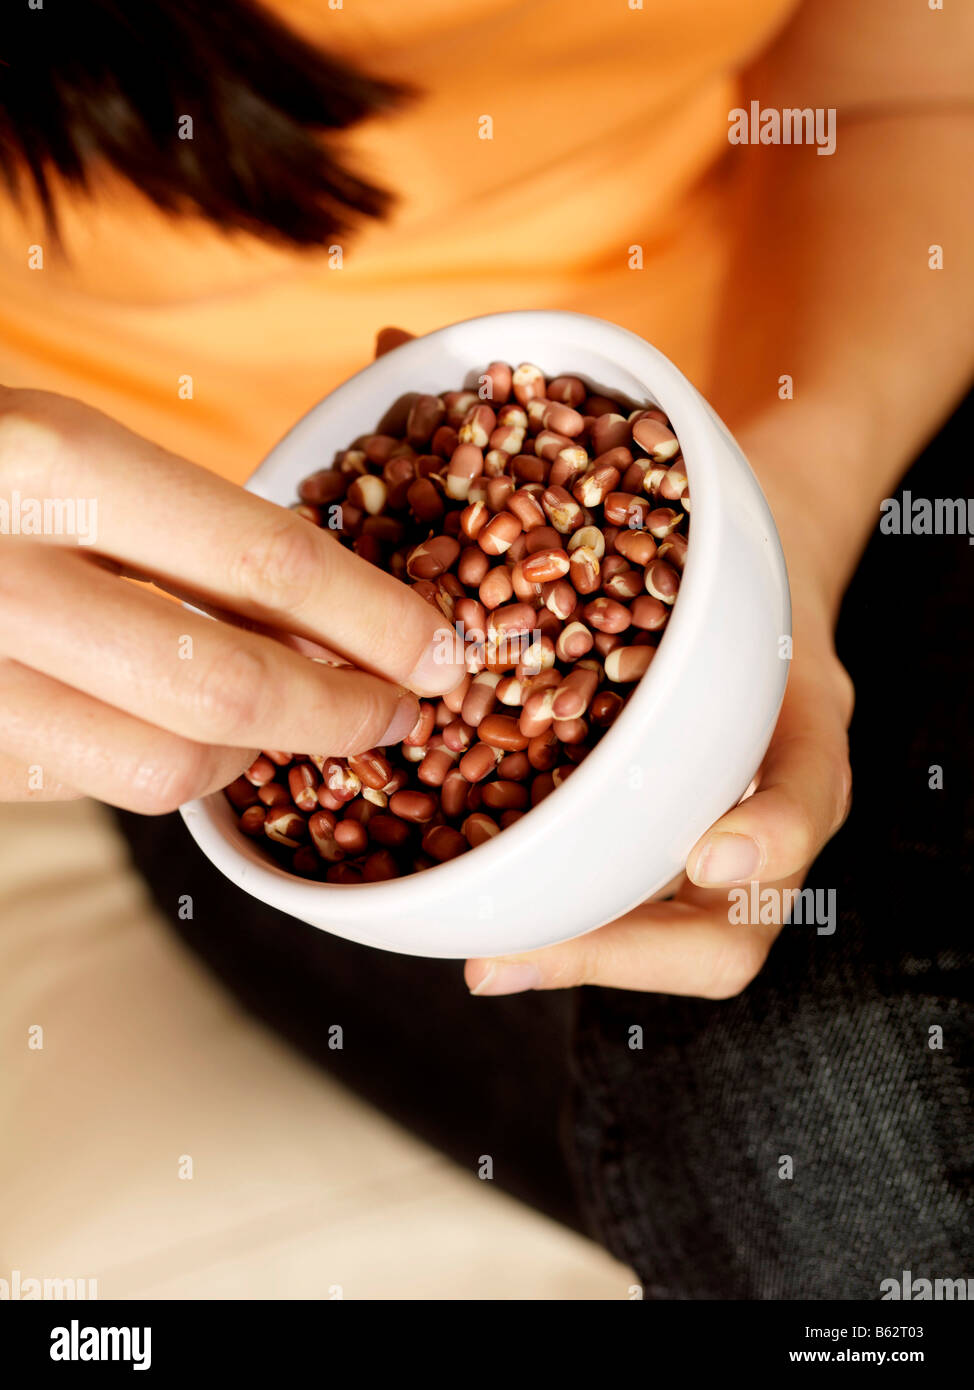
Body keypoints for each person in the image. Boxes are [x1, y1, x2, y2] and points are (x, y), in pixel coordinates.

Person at [0, 0, 971, 1297]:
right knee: (824, 1113)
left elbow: (904, 89)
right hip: (156, 657)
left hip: (822, 383)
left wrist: (777, 514)